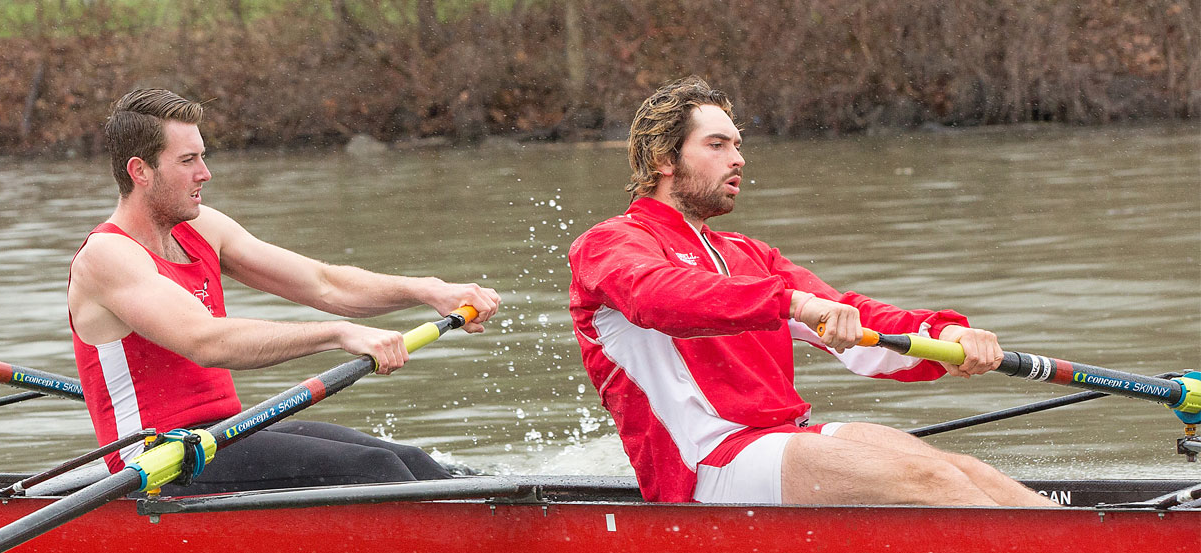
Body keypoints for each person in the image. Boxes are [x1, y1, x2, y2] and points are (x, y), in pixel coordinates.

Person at [566, 77, 1055, 506]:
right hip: (704, 465)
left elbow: (852, 316)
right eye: (717, 145)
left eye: (738, 145)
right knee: (925, 478)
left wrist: (944, 334)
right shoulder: (610, 243)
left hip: (780, 442)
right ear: (662, 159)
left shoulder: (750, 256)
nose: (738, 160)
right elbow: (659, 299)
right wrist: (791, 302)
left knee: (967, 472)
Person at [67, 89, 501, 496]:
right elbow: (204, 340)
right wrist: (338, 335)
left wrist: (428, 290)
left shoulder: (201, 227)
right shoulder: (107, 256)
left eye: (203, 156)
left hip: (221, 433)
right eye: (187, 161)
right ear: (140, 171)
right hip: (155, 462)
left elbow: (323, 283)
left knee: (412, 461)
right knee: (376, 470)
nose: (205, 173)